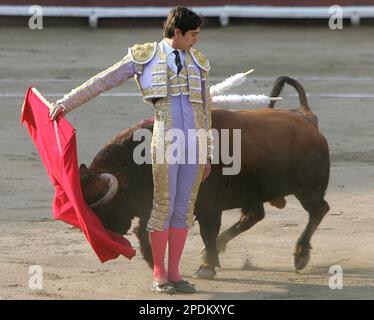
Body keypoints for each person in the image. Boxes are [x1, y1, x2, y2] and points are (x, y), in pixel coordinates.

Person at [49, 6, 213, 294]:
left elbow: (206, 109)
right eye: (193, 35)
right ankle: (160, 275)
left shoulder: (199, 62)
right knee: (163, 207)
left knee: (184, 210)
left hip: (195, 144)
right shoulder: (146, 55)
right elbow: (103, 80)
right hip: (164, 140)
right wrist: (65, 103)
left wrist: (209, 151)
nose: (196, 40)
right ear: (177, 32)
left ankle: (175, 273)